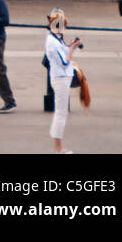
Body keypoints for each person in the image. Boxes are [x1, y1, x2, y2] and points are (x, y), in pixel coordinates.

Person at [45, 8, 83, 153]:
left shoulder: (55, 38)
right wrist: (72, 47)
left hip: (62, 77)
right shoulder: (52, 42)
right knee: (61, 113)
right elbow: (65, 62)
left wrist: (70, 45)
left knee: (60, 112)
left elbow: (63, 53)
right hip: (60, 78)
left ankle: (58, 147)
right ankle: (58, 149)